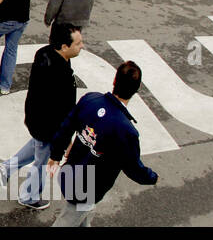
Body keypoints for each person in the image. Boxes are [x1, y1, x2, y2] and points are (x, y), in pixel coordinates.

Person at [47, 61, 159, 227]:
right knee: (68, 220)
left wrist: (55, 156)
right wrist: (151, 177)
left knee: (84, 215)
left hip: (70, 173)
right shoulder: (126, 131)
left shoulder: (90, 99)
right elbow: (132, 167)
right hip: (87, 189)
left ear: (114, 81)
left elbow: (66, 127)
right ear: (136, 90)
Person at [0, 23, 83, 210]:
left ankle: (6, 168)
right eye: (78, 43)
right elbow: (63, 114)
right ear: (64, 47)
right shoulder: (61, 75)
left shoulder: (45, 53)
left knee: (37, 145)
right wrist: (65, 144)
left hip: (36, 119)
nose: (82, 46)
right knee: (42, 163)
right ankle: (29, 196)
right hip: (48, 127)